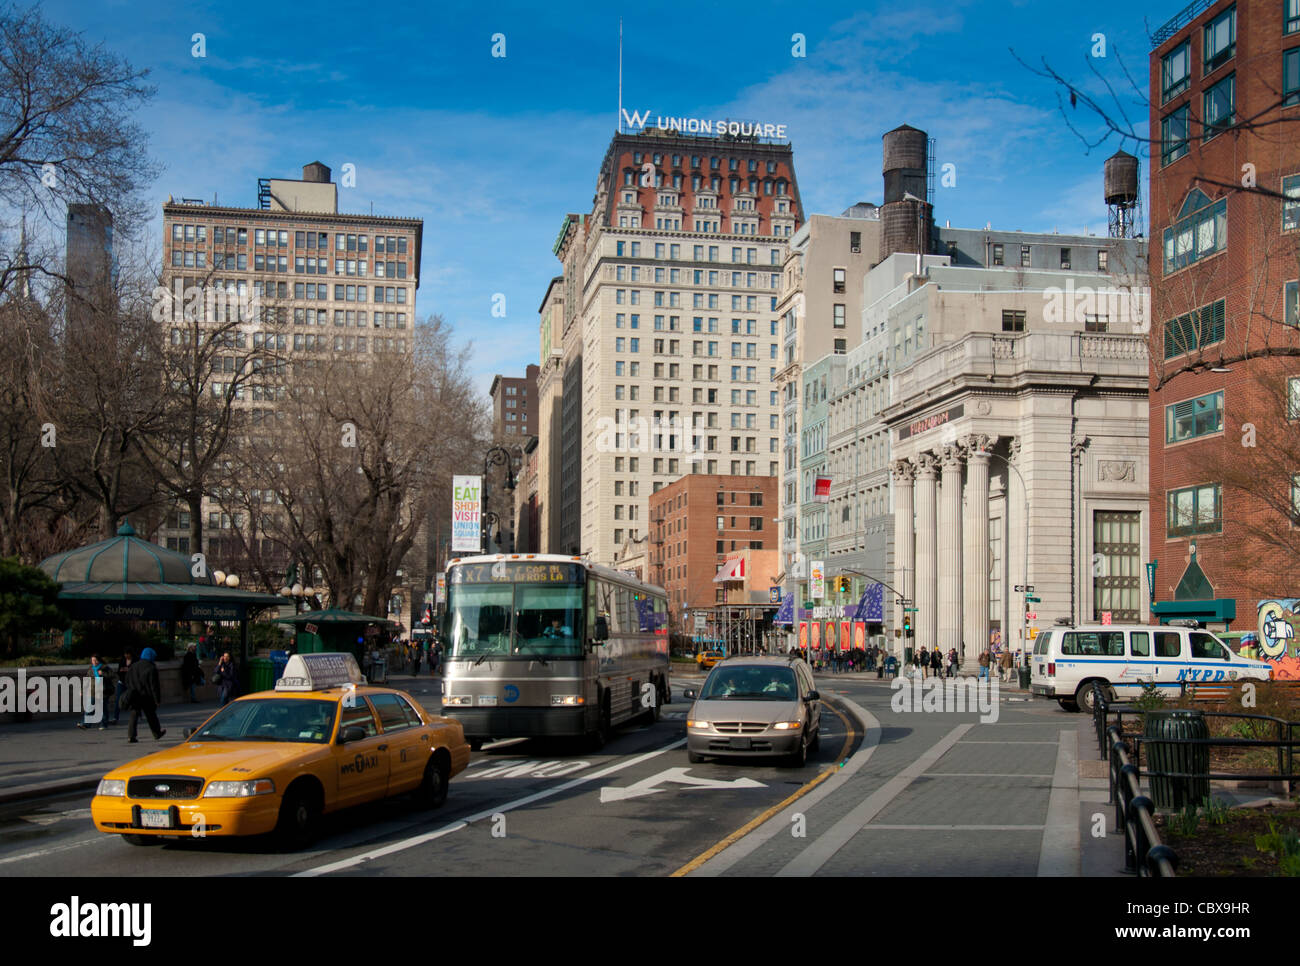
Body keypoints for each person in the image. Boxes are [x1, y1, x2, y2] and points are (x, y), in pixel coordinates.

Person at [124, 647, 165, 743]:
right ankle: (157, 733)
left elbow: (127, 680)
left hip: (135, 694)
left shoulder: (134, 666)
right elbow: (154, 686)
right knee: (151, 715)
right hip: (146, 696)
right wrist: (157, 700)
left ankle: (131, 736)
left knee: (134, 715)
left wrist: (132, 689)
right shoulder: (151, 668)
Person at [77, 655, 110, 730]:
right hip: (92, 691)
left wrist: (103, 674)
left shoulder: (105, 668)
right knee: (89, 708)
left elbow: (112, 676)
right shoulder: (91, 669)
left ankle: (104, 724)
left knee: (103, 708)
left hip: (103, 691)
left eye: (95, 660)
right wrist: (82, 690)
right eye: (92, 660)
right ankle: (86, 724)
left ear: (99, 660)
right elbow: (87, 680)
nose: (94, 662)